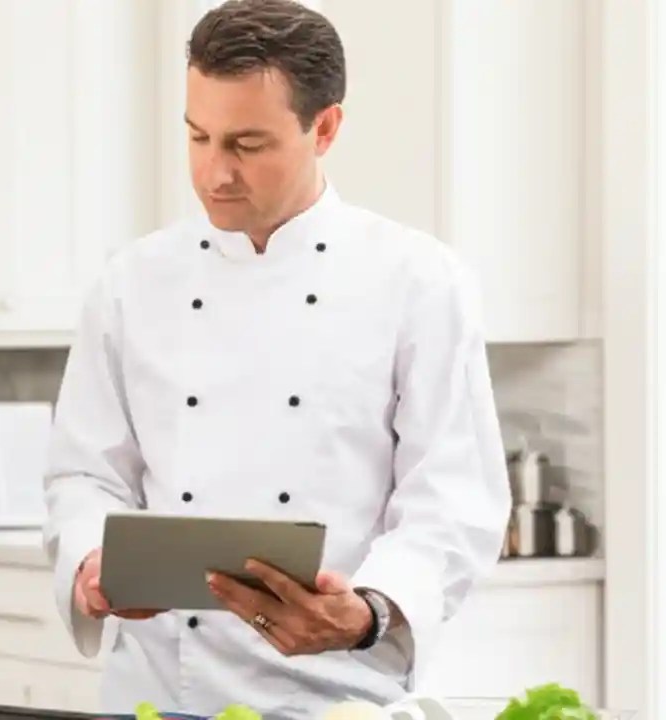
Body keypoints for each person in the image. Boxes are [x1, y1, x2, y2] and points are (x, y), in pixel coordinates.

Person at [42, 0, 511, 716]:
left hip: (338, 694)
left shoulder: (417, 280)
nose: (214, 172)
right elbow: (84, 471)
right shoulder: (131, 283)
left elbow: (453, 496)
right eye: (198, 136)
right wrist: (89, 563)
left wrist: (370, 613)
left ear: (325, 128)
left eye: (247, 144)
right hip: (156, 690)